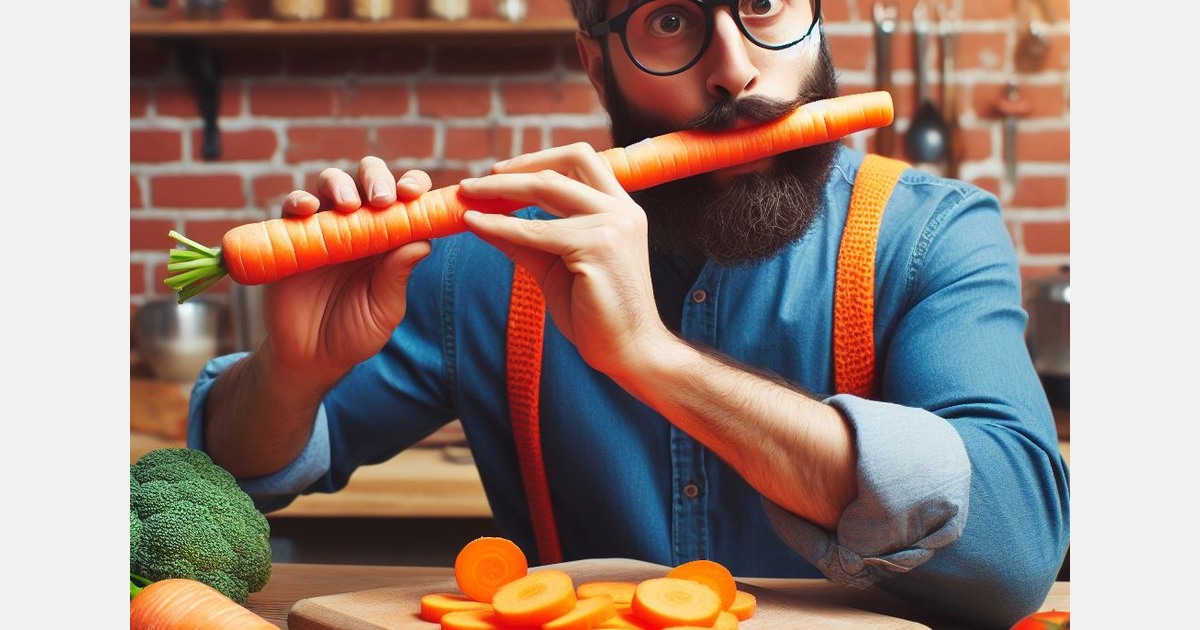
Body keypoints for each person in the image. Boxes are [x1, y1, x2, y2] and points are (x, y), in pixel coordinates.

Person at [186, 0, 1070, 626]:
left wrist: (654, 358)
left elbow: (1017, 553)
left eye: (762, 4)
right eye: (672, 21)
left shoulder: (931, 236)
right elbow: (235, 476)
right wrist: (291, 374)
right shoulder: (482, 260)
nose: (733, 68)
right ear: (594, 57)